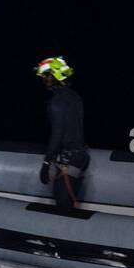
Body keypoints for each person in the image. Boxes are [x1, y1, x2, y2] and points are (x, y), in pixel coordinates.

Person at [35, 56, 89, 209]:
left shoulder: (56, 102)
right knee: (70, 204)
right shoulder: (75, 97)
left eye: (46, 75)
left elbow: (57, 136)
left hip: (68, 160)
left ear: (55, 76)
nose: (44, 79)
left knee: (63, 209)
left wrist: (46, 164)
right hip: (81, 157)